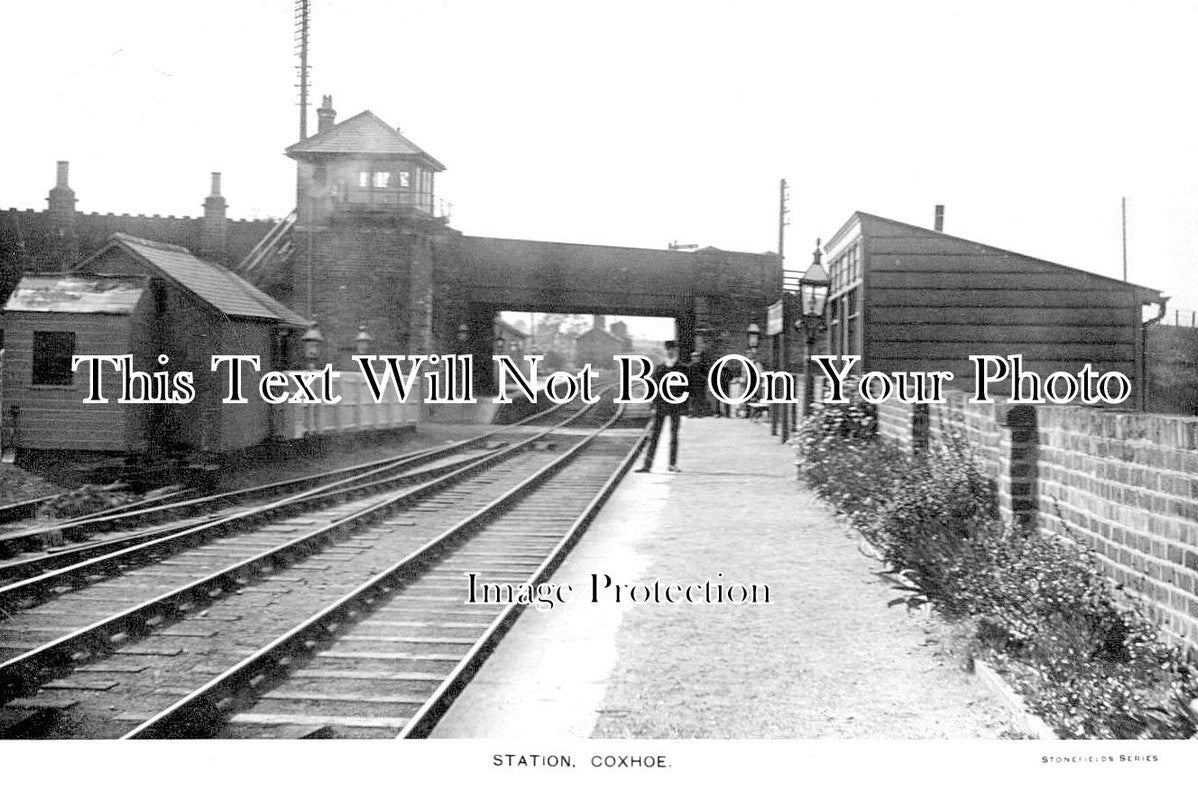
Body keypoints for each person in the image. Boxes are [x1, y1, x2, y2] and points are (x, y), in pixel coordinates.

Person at [635, 340, 688, 473]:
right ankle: (647, 465)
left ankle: (672, 464)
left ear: (676, 352)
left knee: (674, 436)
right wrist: (652, 405)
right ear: (666, 352)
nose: (671, 353)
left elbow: (687, 389)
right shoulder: (659, 368)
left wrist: (685, 407)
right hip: (661, 405)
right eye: (669, 351)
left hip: (676, 406)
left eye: (673, 351)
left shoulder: (683, 369)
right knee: (654, 436)